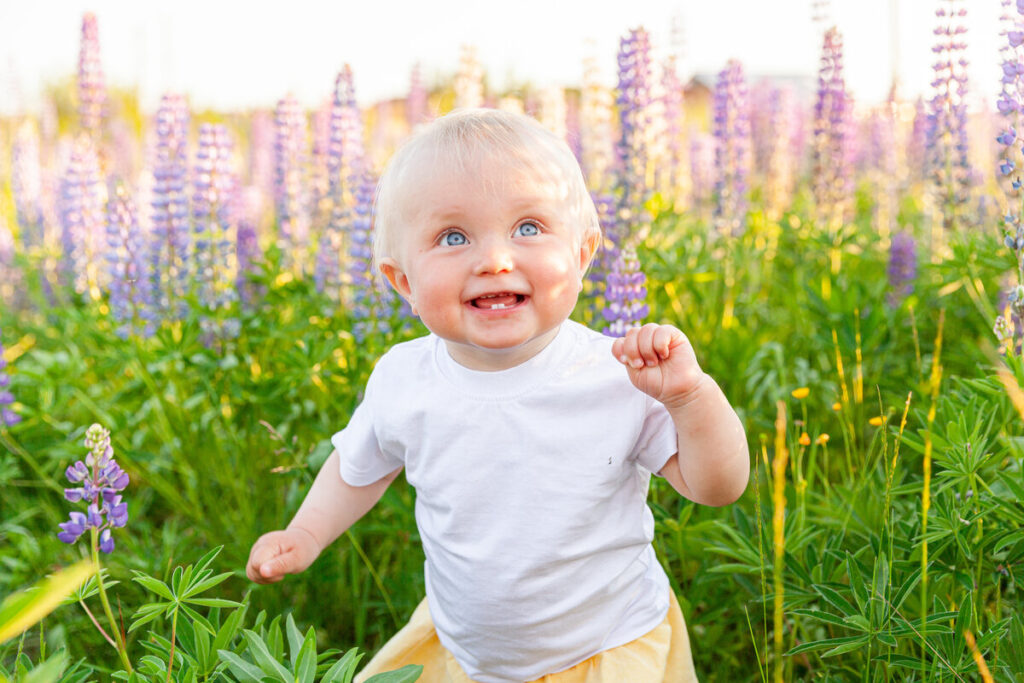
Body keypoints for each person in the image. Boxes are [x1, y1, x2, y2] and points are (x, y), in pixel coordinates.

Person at [246, 108, 750, 683]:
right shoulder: (403, 378)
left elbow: (718, 487)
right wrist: (306, 534)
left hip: (605, 649)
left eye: (529, 227)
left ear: (584, 255)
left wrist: (690, 397)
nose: (494, 259)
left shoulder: (616, 374)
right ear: (404, 282)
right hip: (468, 655)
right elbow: (357, 468)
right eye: (452, 237)